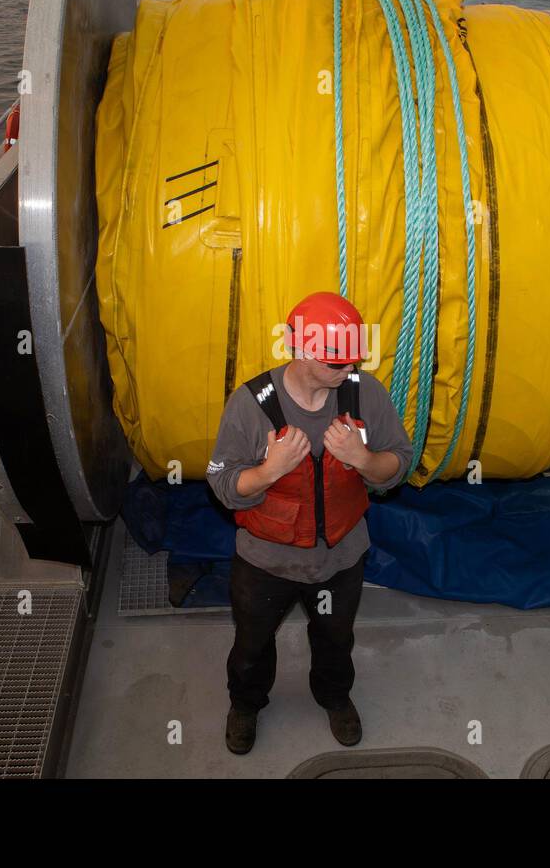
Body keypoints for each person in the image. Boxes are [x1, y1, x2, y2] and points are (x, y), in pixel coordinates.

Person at [206, 292, 413, 755]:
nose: (348, 371)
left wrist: (362, 459)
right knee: (252, 645)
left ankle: (335, 697)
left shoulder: (364, 393)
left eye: (352, 361)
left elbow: (398, 464)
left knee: (337, 638)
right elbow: (221, 483)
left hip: (341, 558)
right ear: (302, 351)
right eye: (337, 364)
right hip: (266, 561)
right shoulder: (251, 404)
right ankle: (246, 705)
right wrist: (269, 470)